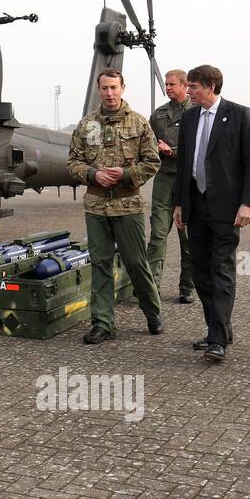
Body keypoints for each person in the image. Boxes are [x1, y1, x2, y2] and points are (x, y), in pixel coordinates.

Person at [67, 68, 165, 343]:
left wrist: (124, 174)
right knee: (100, 264)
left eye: (114, 87)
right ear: (99, 90)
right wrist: (91, 174)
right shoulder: (86, 125)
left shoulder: (139, 123)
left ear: (123, 88)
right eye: (105, 88)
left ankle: (152, 311)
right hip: (96, 206)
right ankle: (102, 322)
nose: (109, 93)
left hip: (128, 204)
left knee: (136, 263)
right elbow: (73, 161)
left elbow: (152, 162)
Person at [172, 65, 250, 362]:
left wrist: (248, 203)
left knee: (221, 269)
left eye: (193, 86)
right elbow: (184, 166)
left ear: (210, 87)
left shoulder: (239, 115)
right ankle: (218, 328)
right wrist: (179, 203)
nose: (189, 91)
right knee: (200, 272)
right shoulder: (188, 118)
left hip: (227, 208)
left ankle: (218, 340)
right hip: (196, 207)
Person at [146, 69, 195, 303]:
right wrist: (157, 150)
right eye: (166, 85)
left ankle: (187, 287)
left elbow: (199, 149)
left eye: (172, 84)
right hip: (164, 179)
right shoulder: (158, 115)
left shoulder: (196, 112)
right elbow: (146, 145)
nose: (168, 88)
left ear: (185, 85)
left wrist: (171, 151)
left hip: (187, 180)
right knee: (157, 235)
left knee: (187, 238)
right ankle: (151, 286)